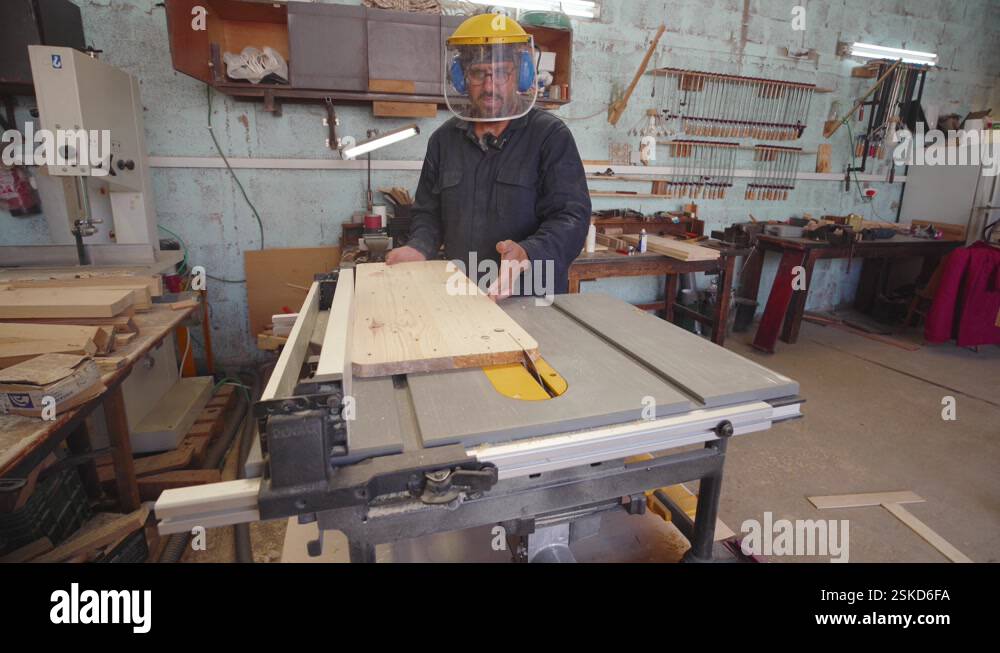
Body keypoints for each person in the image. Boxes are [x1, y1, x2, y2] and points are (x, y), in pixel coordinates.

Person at [385, 13, 591, 300]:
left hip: (530, 295)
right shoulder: (443, 141)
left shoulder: (549, 136)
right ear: (461, 78)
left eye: (503, 73)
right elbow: (428, 213)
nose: (490, 85)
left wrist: (528, 252)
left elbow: (572, 217)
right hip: (462, 293)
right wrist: (418, 246)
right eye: (479, 73)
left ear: (521, 75)